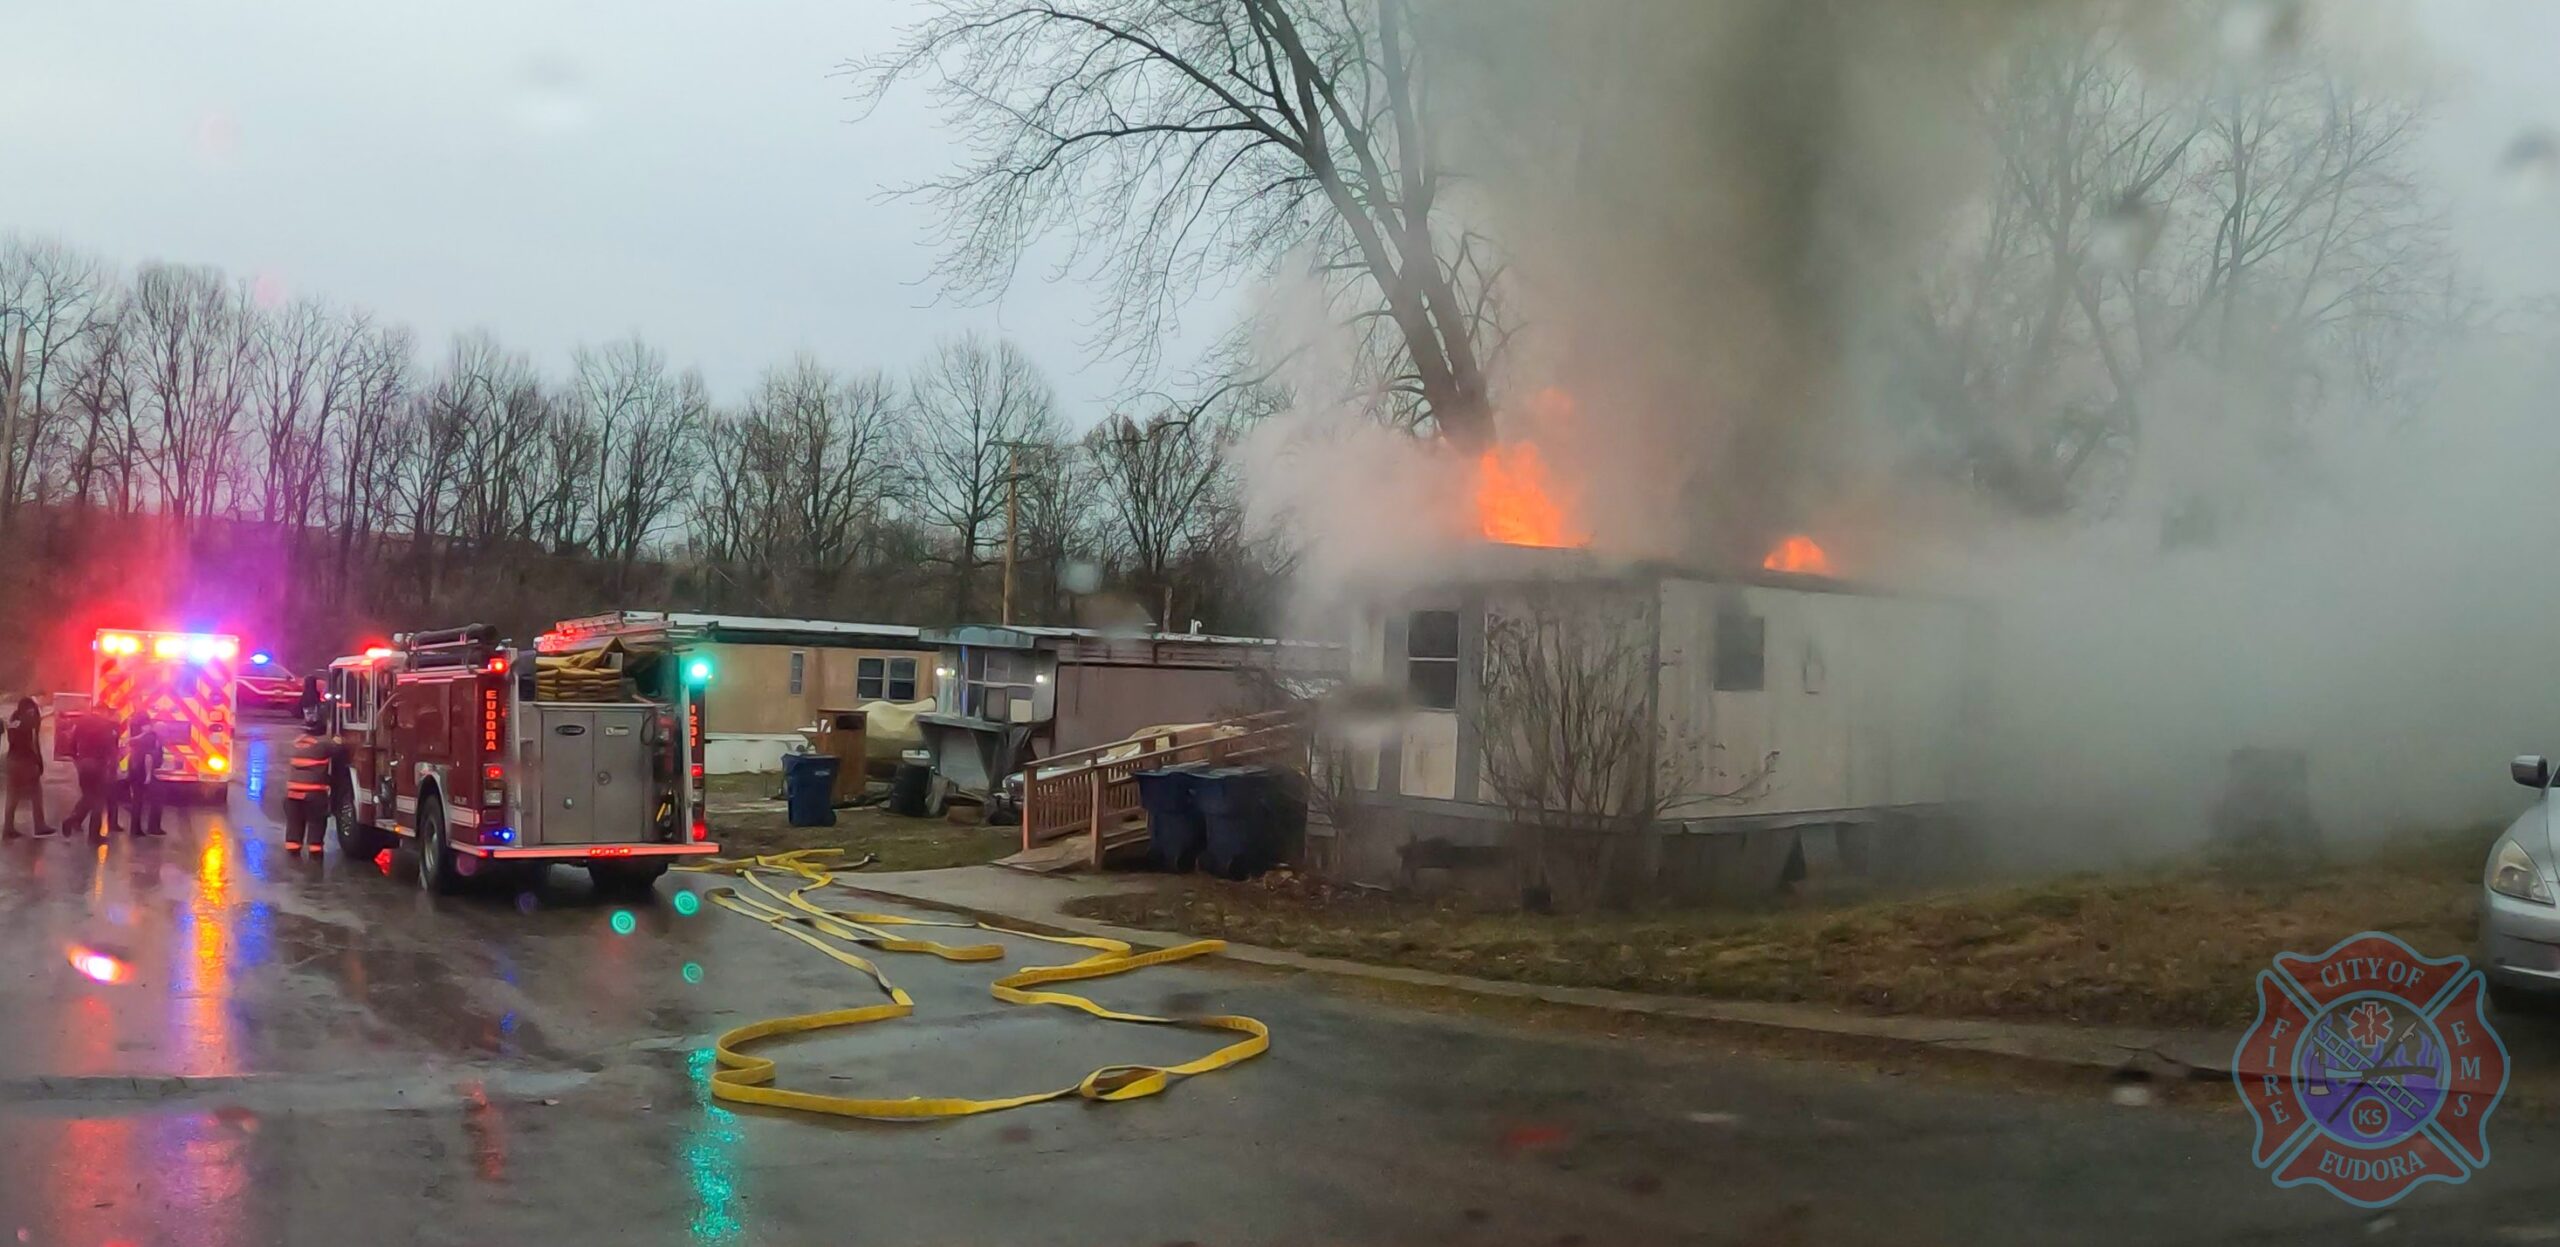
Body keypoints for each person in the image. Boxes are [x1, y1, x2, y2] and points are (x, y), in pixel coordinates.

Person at [62, 707, 124, 840]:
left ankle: (73, 818)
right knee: (98, 800)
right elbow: (111, 750)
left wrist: (78, 761)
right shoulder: (106, 726)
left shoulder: (81, 722)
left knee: (88, 796)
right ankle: (94, 835)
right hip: (98, 766)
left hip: (83, 764)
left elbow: (71, 745)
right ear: (104, 712)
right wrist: (114, 768)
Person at [283, 725, 338, 855]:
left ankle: (292, 850)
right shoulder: (322, 746)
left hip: (292, 794)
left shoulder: (292, 746)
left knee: (294, 823)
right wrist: (337, 740)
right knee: (316, 823)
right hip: (314, 794)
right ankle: (315, 851)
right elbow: (339, 749)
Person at [3, 697, 51, 839]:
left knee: (13, 796)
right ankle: (39, 825)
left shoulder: (14, 719)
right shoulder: (29, 722)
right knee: (36, 793)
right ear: (29, 709)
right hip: (27, 763)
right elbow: (33, 743)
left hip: (12, 761)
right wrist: (39, 762)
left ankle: (8, 828)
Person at [122, 713, 165, 838]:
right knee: (156, 797)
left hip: (134, 770)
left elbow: (130, 743)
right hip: (142, 772)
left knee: (137, 799)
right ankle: (152, 828)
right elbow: (148, 757)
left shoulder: (138, 738)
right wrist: (148, 776)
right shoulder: (151, 738)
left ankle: (135, 829)